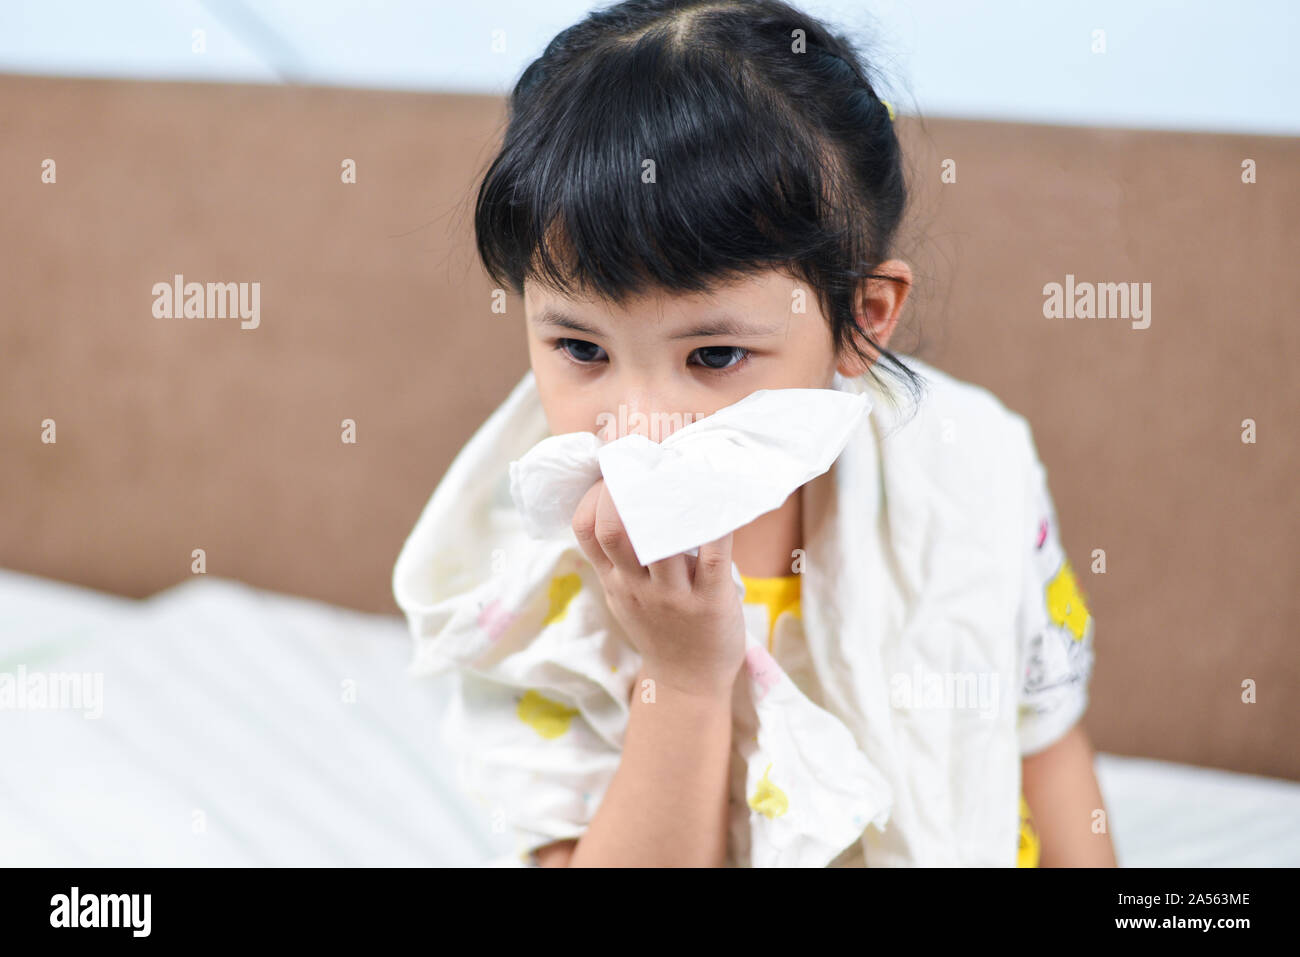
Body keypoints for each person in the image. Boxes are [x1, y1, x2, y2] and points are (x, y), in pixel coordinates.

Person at [464, 0, 1116, 867]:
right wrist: (686, 677)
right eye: (581, 347)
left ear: (862, 321)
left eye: (716, 353)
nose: (640, 424)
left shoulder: (975, 467)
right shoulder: (527, 563)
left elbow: (1046, 742)